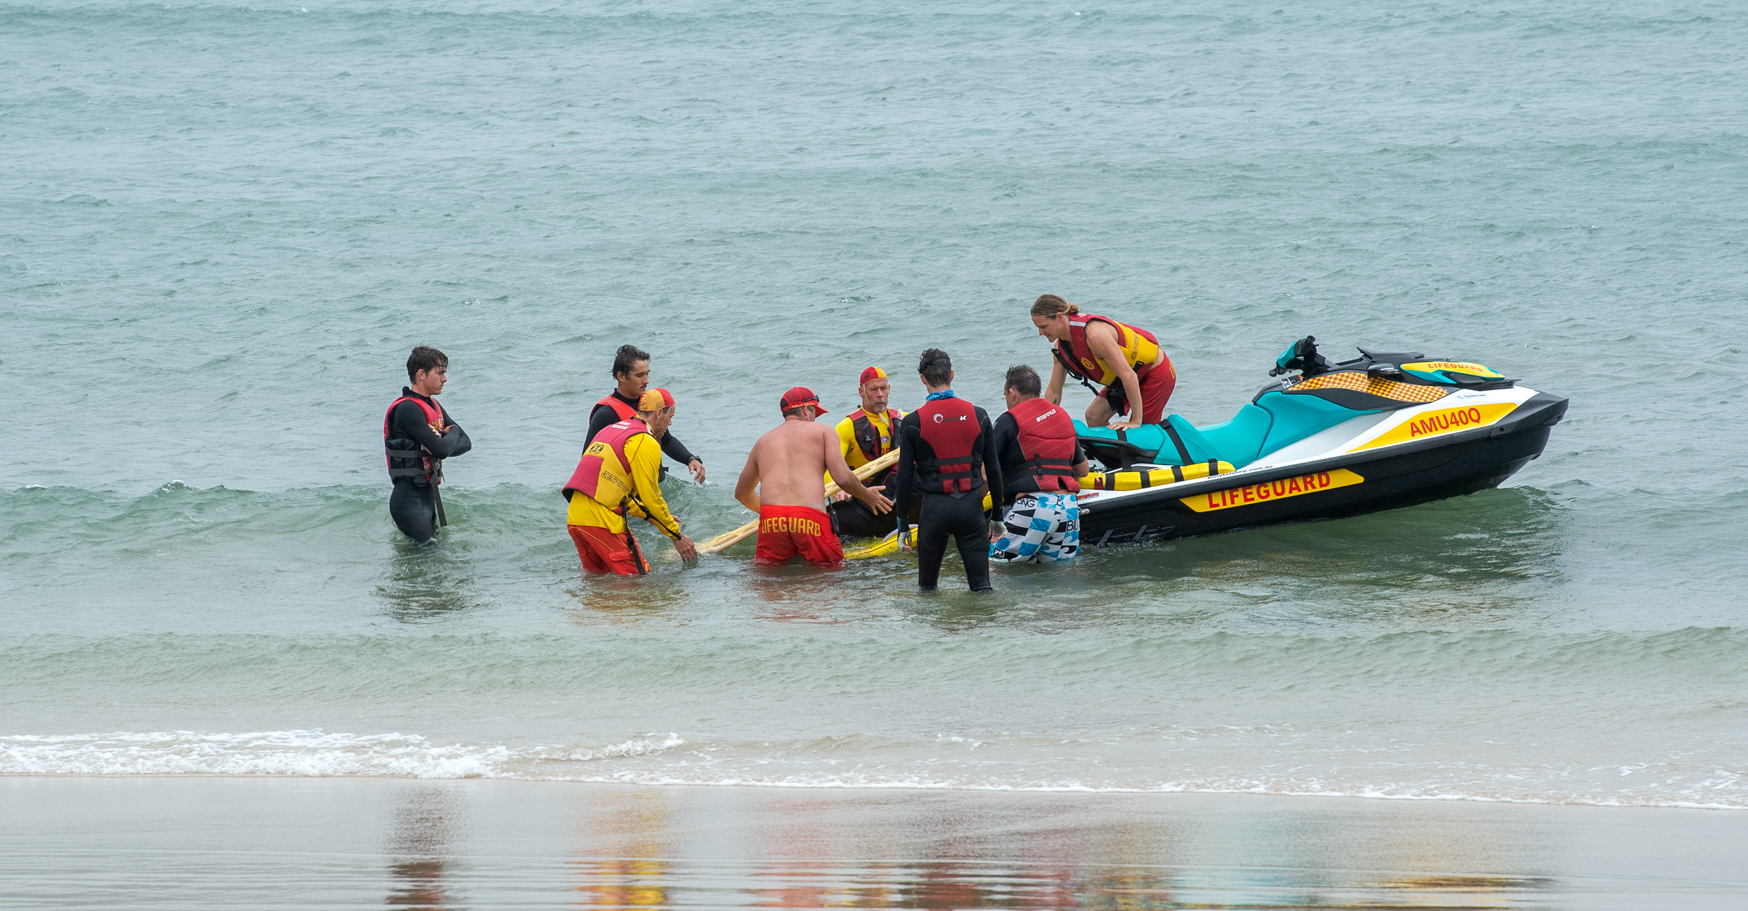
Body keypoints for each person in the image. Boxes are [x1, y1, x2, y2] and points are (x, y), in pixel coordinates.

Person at [734, 387, 892, 568]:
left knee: (769, 574)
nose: (815, 418)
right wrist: (867, 495)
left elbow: (741, 493)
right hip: (809, 517)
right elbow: (842, 478)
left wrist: (775, 516)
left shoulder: (762, 442)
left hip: (772, 518)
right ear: (805, 410)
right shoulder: (824, 432)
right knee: (831, 571)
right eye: (815, 413)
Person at [890, 349, 1004, 592]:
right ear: (952, 374)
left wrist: (903, 524)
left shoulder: (912, 423)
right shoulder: (979, 415)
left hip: (935, 509)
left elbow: (904, 478)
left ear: (923, 379)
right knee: (982, 588)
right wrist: (997, 516)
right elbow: (994, 470)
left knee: (927, 588)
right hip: (971, 508)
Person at [563, 388, 698, 575]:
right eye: (670, 417)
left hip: (575, 517)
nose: (670, 423)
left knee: (598, 577)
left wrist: (651, 518)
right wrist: (676, 535)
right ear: (659, 413)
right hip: (601, 520)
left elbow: (616, 487)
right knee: (636, 578)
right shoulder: (644, 440)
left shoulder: (612, 429)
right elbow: (651, 496)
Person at [988, 365, 1089, 565]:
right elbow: (1083, 469)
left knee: (991, 566)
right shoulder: (1062, 416)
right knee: (1059, 575)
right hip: (1069, 508)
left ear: (1012, 393)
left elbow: (985, 473)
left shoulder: (1008, 421)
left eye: (1005, 395)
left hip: (1034, 507)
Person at [1030, 294, 1176, 430]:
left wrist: (1135, 421)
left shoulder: (1095, 336)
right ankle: (1117, 448)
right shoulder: (1060, 349)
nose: (1040, 333)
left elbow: (1129, 376)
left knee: (1142, 430)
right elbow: (1054, 390)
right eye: (1038, 328)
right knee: (1094, 417)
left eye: (1043, 327)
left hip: (1154, 372)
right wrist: (1045, 423)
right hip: (1125, 380)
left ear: (1059, 317)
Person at [384, 346, 472, 544]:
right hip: (408, 501)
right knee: (430, 554)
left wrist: (445, 435)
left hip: (427, 497)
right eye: (439, 373)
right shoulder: (407, 408)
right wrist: (452, 431)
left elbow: (466, 443)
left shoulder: (433, 406)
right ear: (421, 374)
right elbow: (442, 450)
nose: (444, 379)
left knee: (430, 556)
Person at [584, 344, 705, 483]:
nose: (646, 381)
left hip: (654, 486)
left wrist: (690, 459)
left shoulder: (648, 405)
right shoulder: (606, 414)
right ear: (621, 376)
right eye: (640, 375)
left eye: (647, 374)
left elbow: (666, 440)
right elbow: (588, 461)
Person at [828, 366, 910, 537]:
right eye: (873, 389)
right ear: (861, 392)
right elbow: (829, 467)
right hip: (862, 494)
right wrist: (839, 489)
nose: (880, 394)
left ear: (889, 389)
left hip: (894, 491)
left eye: (883, 388)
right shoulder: (847, 427)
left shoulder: (904, 419)